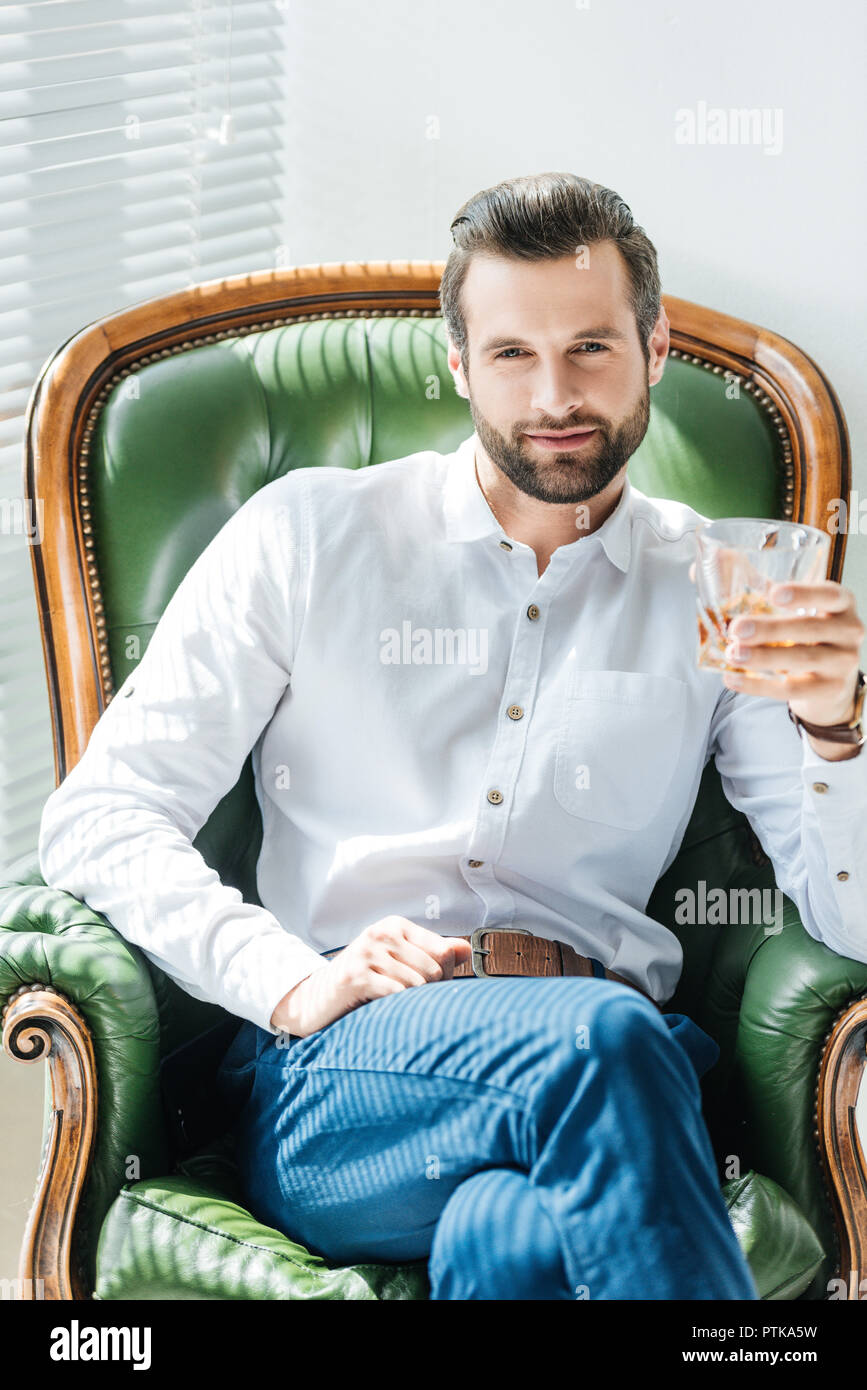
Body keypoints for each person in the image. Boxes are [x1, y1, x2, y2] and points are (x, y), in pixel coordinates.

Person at [38, 172, 867, 1300]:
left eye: (591, 349)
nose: (556, 396)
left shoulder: (725, 586)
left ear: (656, 347)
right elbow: (99, 816)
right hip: (347, 1080)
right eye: (514, 354)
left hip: (616, 1072)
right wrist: (286, 981)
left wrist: (838, 729)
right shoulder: (308, 536)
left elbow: (849, 912)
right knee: (607, 1049)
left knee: (511, 1238)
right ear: (458, 364)